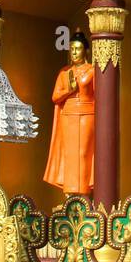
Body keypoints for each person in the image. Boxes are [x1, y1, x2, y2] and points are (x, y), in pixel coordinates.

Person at [43, 31, 95, 197]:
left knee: (83, 153)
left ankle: (84, 193)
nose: (74, 52)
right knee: (70, 154)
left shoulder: (92, 70)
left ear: (86, 51)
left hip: (87, 114)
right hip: (68, 115)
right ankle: (70, 195)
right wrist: (69, 90)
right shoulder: (64, 72)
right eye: (72, 48)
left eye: (78, 48)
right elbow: (55, 96)